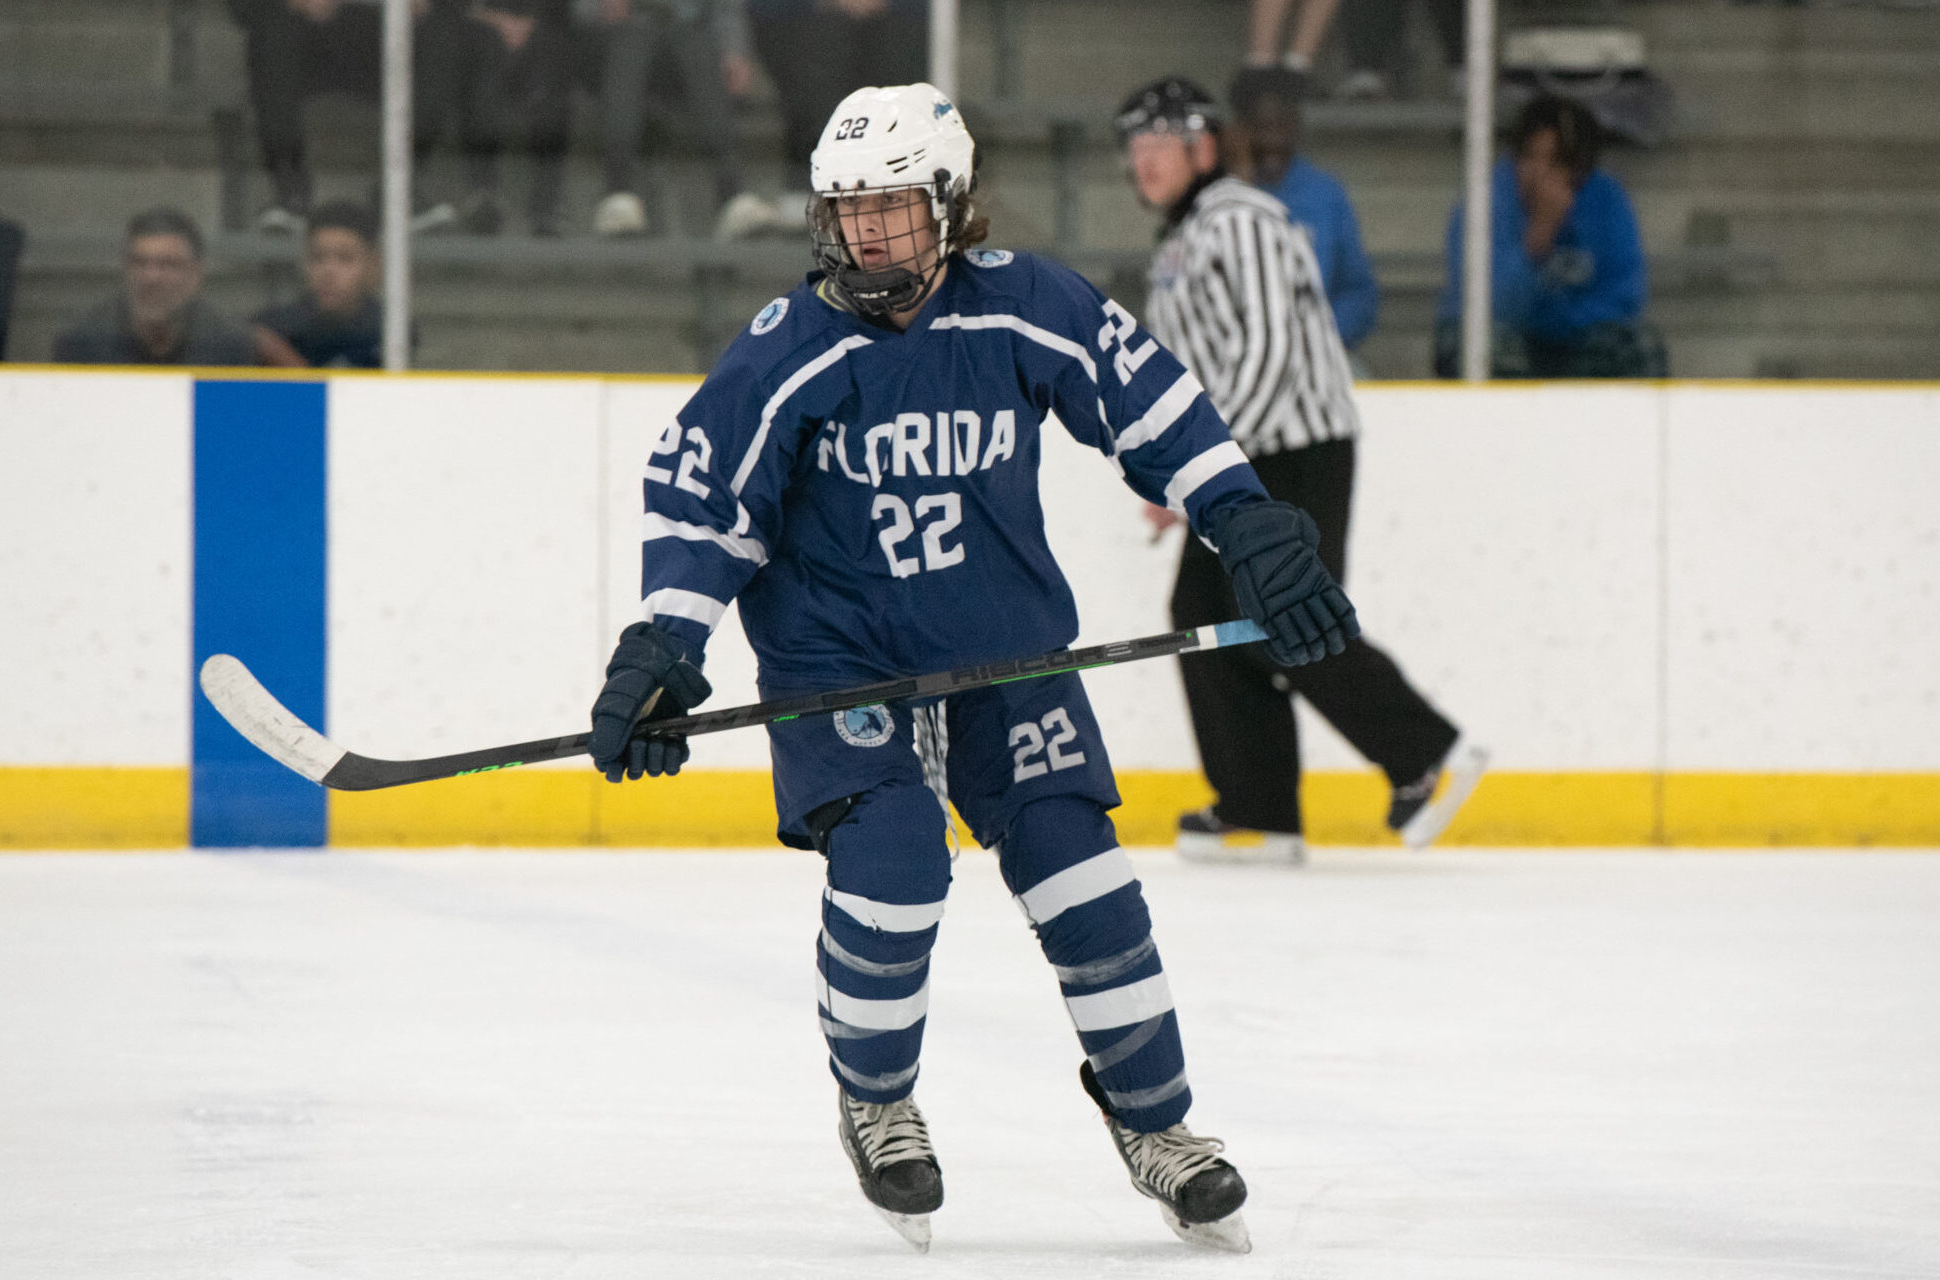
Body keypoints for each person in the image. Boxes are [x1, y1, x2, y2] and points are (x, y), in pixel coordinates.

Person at [583, 83, 1361, 1254]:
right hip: (842, 666)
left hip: (1002, 656)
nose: (867, 236)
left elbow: (1149, 403)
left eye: (892, 210)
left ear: (948, 205)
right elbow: (705, 506)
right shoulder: (788, 351)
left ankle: (1159, 1124)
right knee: (896, 868)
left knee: (1084, 881)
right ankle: (878, 1098)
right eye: (848, 213)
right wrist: (664, 643)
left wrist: (1241, 518)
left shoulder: (1022, 307)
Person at [1116, 76, 1483, 865]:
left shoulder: (1242, 217)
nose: (1142, 163)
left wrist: (1204, 461)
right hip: (1247, 454)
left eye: (1159, 144)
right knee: (1213, 616)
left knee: (1284, 614)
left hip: (1290, 451)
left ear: (1204, 146)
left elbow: (1271, 350)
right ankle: (1260, 808)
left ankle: (1426, 755)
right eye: (1135, 148)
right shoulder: (1186, 236)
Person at [1436, 95, 1663, 378]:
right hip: (1508, 335)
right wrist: (1536, 241)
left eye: (1555, 163)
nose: (1539, 173)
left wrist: (1559, 323)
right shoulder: (1484, 203)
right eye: (1529, 157)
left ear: (1581, 169)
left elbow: (1624, 297)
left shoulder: (1607, 198)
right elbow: (1483, 307)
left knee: (1639, 345)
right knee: (1476, 344)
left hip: (1577, 338)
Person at [225, 0, 468, 234]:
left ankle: (401, 193)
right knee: (274, 34)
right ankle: (291, 196)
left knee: (440, 35)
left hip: (391, 34)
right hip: (304, 35)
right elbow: (241, 8)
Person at [577, 0, 779, 239]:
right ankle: (619, 193)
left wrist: (735, 51)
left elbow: (725, 8)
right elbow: (577, 11)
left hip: (684, 38)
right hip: (616, 38)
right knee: (631, 40)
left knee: (697, 41)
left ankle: (733, 197)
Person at [1229, 67, 1376, 354]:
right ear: (1243, 131)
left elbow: (1359, 292)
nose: (1271, 141)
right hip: (1238, 361)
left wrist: (1317, 336)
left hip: (1318, 357)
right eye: (1261, 128)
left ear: (1295, 126)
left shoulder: (1325, 193)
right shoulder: (1220, 199)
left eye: (1279, 126)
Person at [749, 0, 926, 231]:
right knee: (822, 44)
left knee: (902, 36)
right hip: (804, 18)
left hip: (891, 17)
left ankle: (894, 191)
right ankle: (809, 181)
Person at [52, 209, 283, 367]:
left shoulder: (229, 344)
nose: (151, 277)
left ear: (196, 274)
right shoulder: (83, 343)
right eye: (139, 263)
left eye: (168, 265)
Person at [461, 0, 574, 234]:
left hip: (543, 35)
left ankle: (546, 204)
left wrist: (527, 24)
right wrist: (494, 20)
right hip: (478, 32)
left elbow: (562, 11)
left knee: (550, 80)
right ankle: (483, 194)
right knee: (482, 77)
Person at [253, 200, 394, 367]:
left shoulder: (389, 330)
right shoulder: (279, 328)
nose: (328, 272)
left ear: (373, 266)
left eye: (345, 258)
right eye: (317, 257)